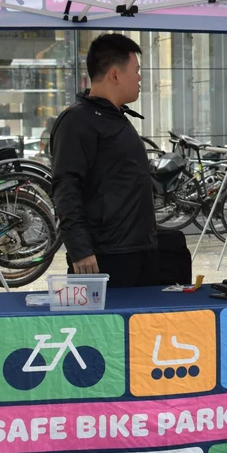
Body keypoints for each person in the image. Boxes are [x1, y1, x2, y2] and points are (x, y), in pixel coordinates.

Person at [50, 33, 158, 288]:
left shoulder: (116, 118)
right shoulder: (77, 121)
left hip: (137, 251)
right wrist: (80, 249)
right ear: (115, 75)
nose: (140, 77)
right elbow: (66, 187)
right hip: (104, 259)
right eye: (136, 70)